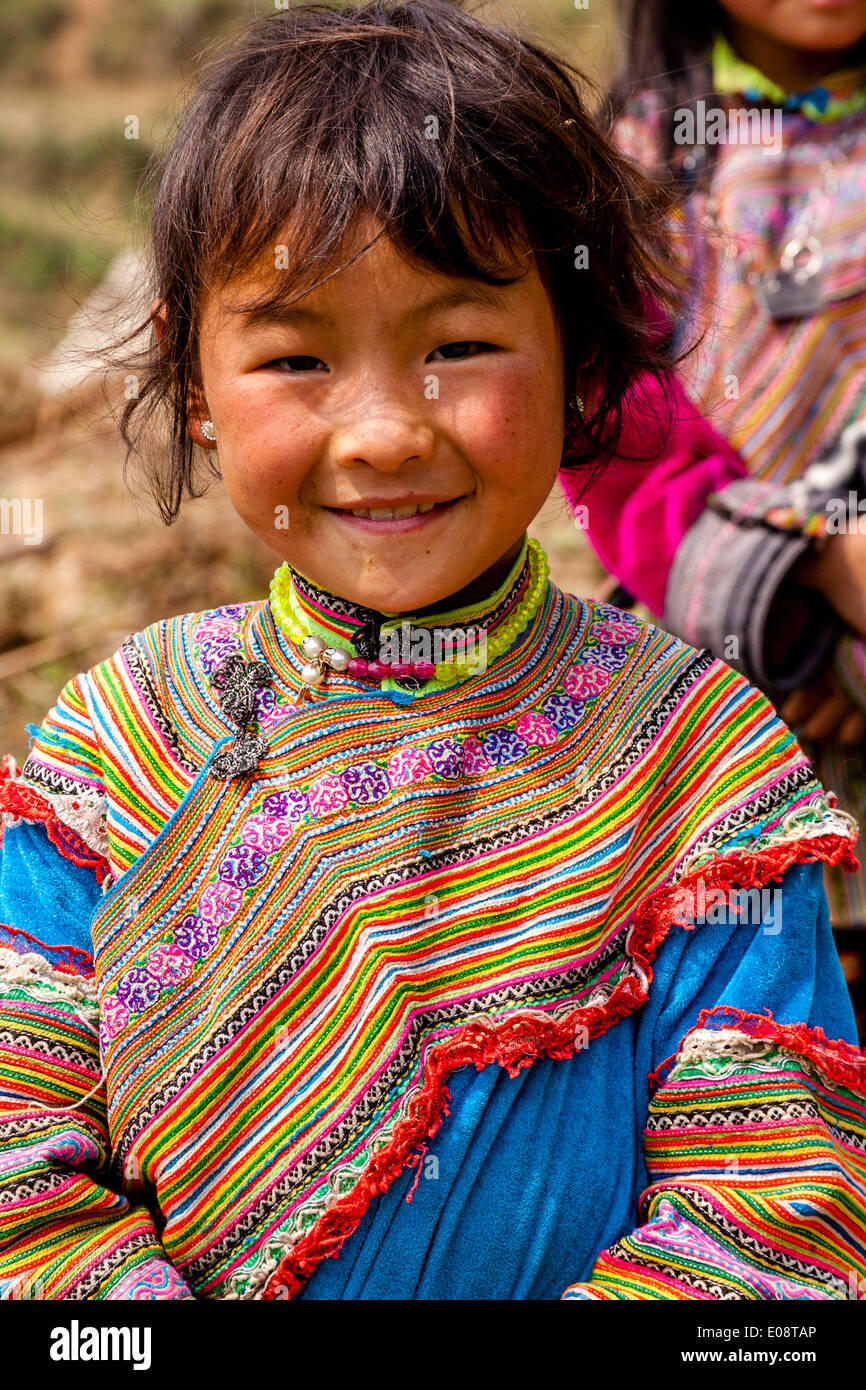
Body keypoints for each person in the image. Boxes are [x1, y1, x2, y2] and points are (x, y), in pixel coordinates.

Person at [0, 1, 864, 1302]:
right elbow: (23, 1162)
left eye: (456, 347)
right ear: (193, 381)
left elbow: (775, 1202)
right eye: (295, 356)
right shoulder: (118, 748)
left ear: (581, 367)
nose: (384, 434)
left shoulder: (696, 763)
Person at [559, 0, 866, 1011]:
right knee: (769, 993)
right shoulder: (640, 162)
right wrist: (798, 597)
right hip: (718, 654)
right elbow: (623, 435)